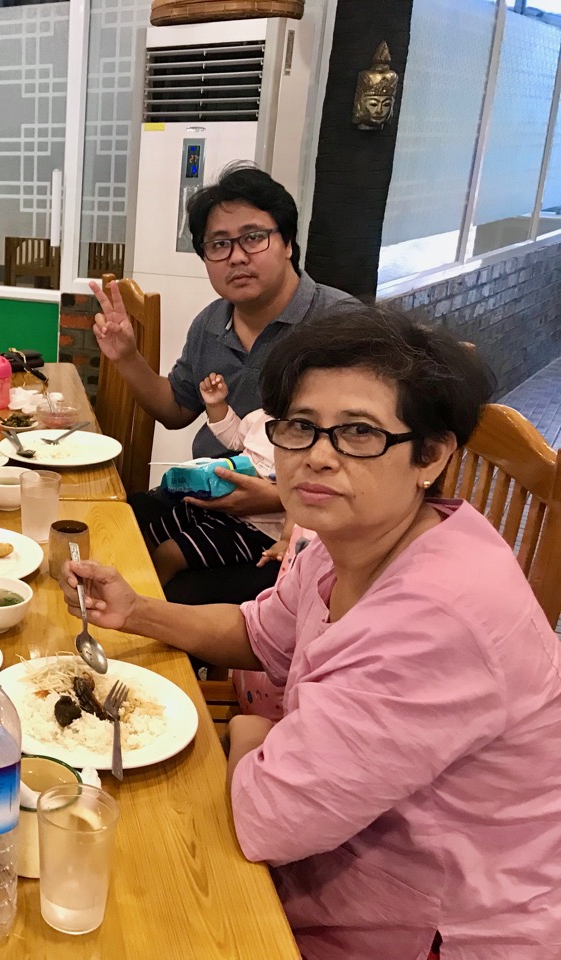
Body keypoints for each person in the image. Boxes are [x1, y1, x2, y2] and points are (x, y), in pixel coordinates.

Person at [63, 306, 561, 959]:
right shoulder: (349, 538)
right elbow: (259, 634)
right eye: (300, 427)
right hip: (326, 856)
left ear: (431, 456)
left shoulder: (437, 618)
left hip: (424, 930)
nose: (316, 457)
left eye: (357, 432)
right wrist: (137, 611)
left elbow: (266, 818)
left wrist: (251, 731)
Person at [90, 164, 353, 605]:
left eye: (254, 237)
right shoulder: (212, 321)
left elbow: (369, 459)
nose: (236, 256)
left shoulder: (340, 327)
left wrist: (278, 500)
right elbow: (175, 409)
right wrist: (127, 357)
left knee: (176, 592)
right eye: (219, 244)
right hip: (207, 497)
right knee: (111, 523)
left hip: (295, 530)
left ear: (287, 243)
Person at [146, 371, 286, 585]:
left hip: (254, 529)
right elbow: (234, 440)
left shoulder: (302, 440)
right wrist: (216, 405)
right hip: (218, 501)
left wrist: (286, 539)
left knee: (169, 554)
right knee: (151, 534)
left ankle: (144, 602)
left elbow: (301, 492)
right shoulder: (261, 417)